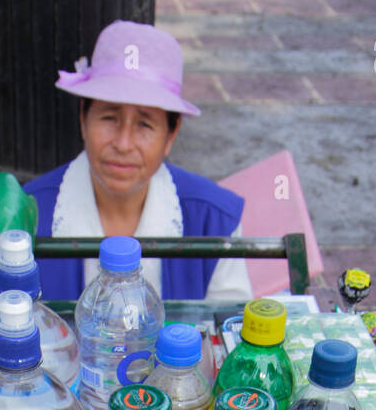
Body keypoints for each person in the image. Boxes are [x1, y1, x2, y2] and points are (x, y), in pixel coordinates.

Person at [24, 20, 254, 304]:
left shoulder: (214, 220)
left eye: (144, 125)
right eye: (109, 118)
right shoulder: (26, 214)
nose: (123, 144)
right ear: (83, 119)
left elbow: (226, 330)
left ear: (172, 134)